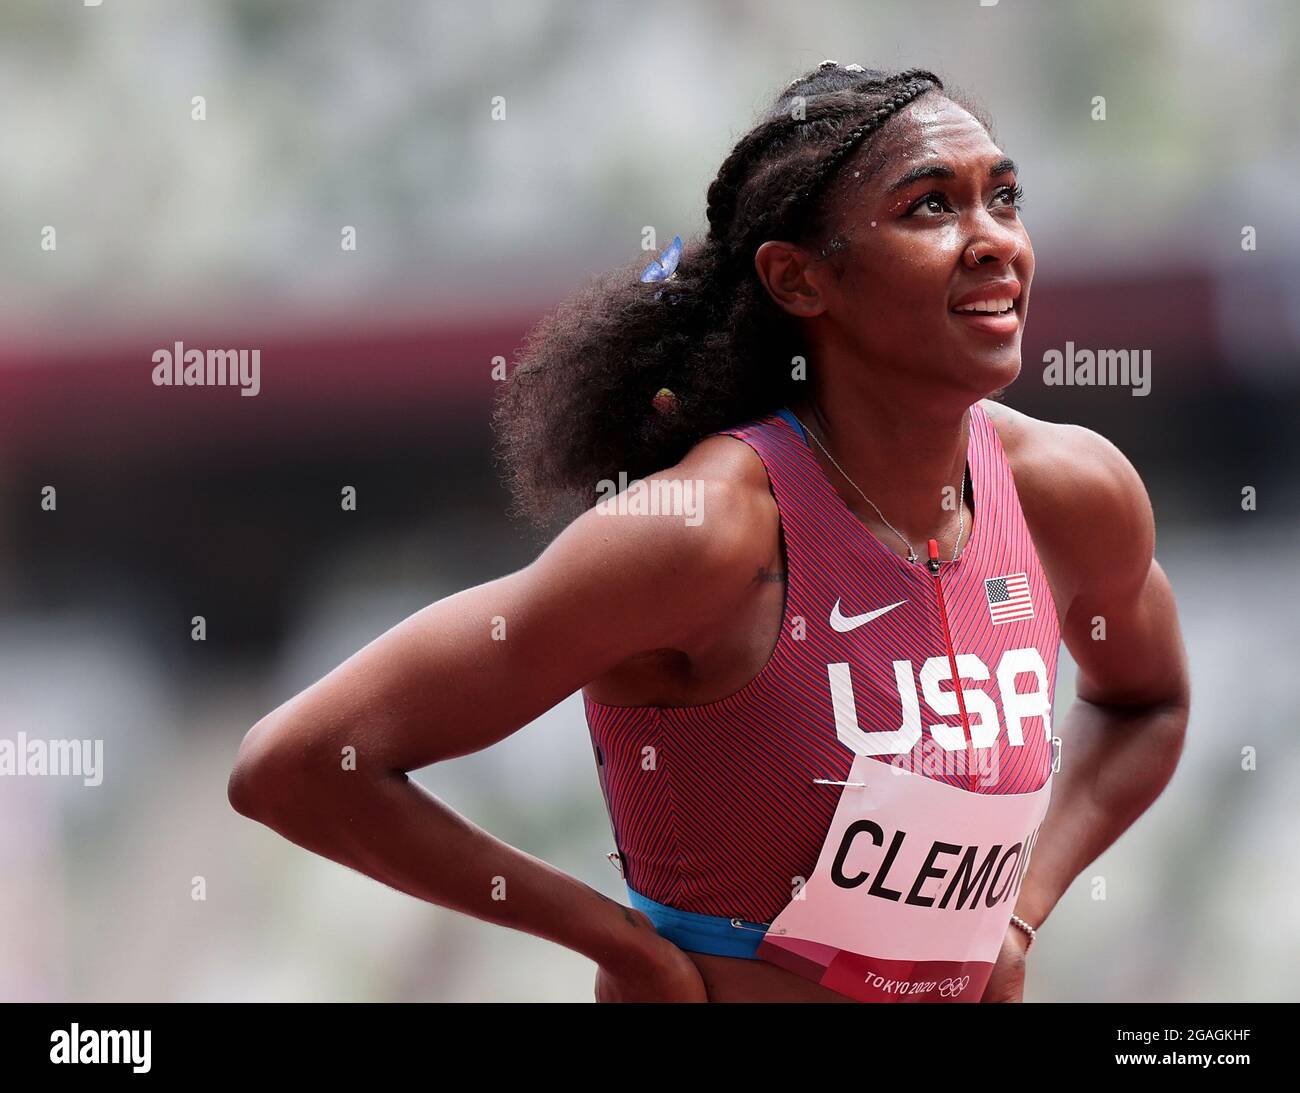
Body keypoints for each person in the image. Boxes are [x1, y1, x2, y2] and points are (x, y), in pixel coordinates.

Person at [227, 62, 1191, 1002]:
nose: (995, 243)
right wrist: (616, 941)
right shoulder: (704, 535)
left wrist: (1018, 911)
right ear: (798, 279)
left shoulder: (1070, 491)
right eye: (929, 206)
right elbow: (299, 764)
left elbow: (1146, 703)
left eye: (1005, 198)